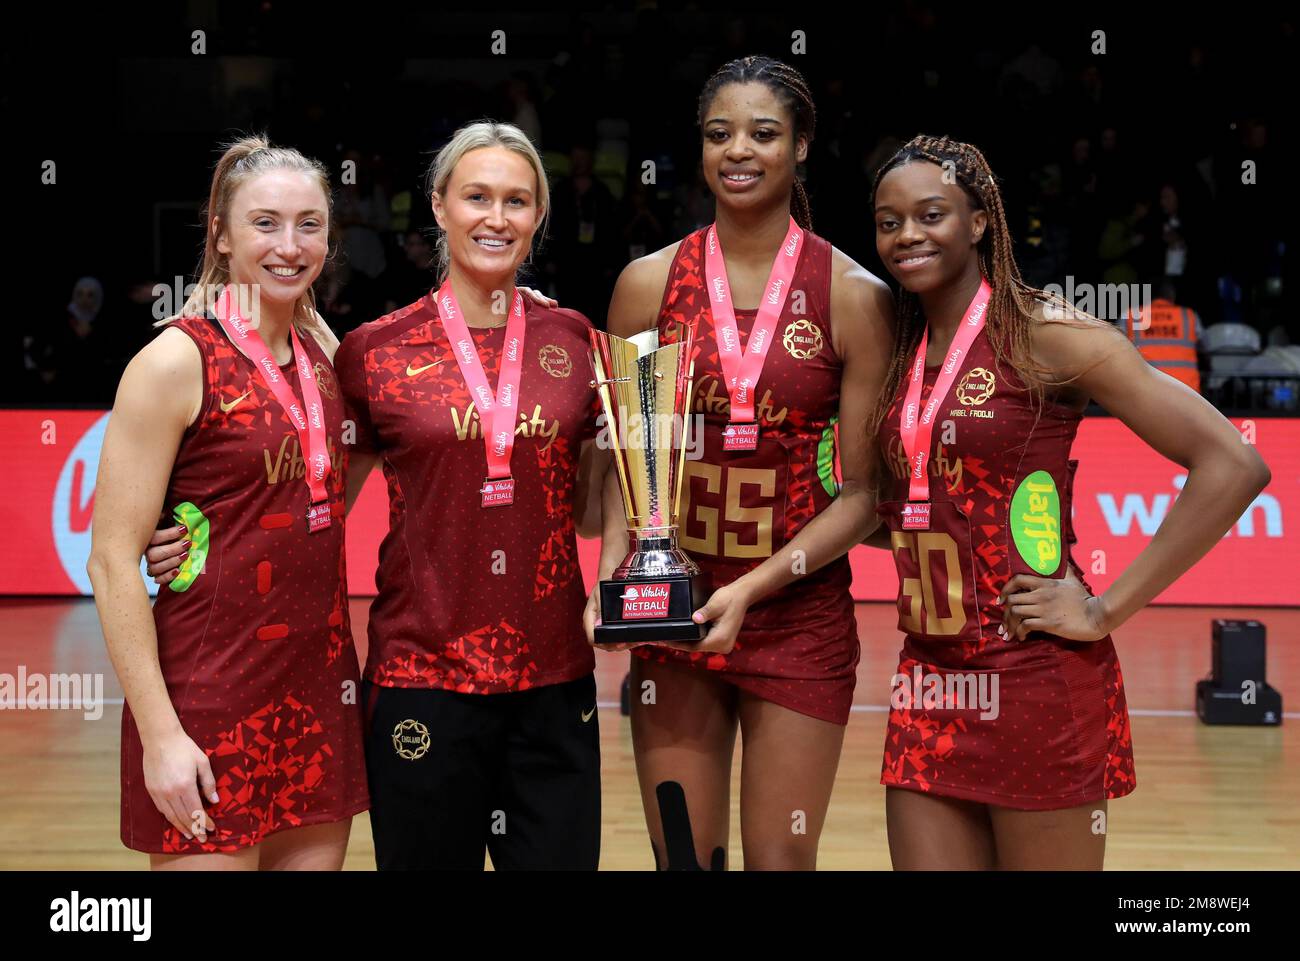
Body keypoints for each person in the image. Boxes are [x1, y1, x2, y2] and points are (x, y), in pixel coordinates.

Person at [867, 134, 1271, 870]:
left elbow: (1233, 463)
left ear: (980, 221)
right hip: (927, 679)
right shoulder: (892, 349)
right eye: (888, 222)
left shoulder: (1047, 334)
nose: (908, 236)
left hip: (1034, 680)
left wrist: (1103, 609)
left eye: (931, 214)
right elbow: (903, 508)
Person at [586, 56, 894, 870]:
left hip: (798, 618)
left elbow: (864, 496)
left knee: (780, 861)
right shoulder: (646, 284)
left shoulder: (854, 295)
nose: (739, 151)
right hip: (670, 609)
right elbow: (628, 454)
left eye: (764, 133)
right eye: (719, 133)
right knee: (684, 859)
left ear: (800, 147)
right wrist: (615, 566)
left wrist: (752, 590)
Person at [88, 136, 369, 870]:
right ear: (220, 231)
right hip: (208, 703)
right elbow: (114, 562)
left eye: (310, 223)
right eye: (265, 222)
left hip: (317, 696)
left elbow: (347, 471)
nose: (290, 244)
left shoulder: (325, 356)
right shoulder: (173, 361)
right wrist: (160, 735)